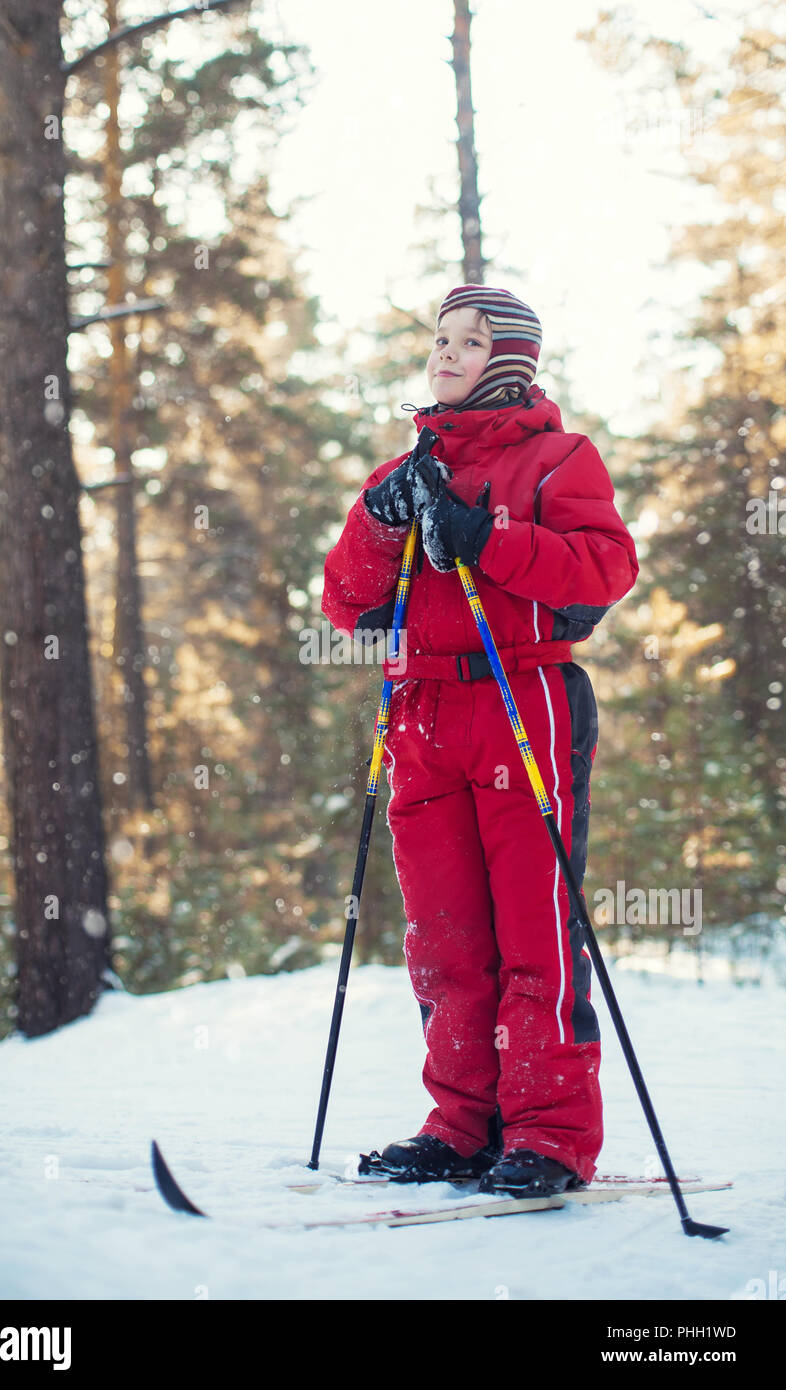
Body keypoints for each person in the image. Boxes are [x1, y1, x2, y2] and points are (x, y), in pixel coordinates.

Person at [321, 285, 639, 1197]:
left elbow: (600, 572)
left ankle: (549, 1132)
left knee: (533, 929)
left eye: (470, 341)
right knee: (447, 939)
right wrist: (384, 522)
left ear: (510, 363)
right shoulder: (401, 471)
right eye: (440, 338)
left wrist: (486, 541)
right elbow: (351, 608)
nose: (446, 354)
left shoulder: (557, 460)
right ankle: (462, 1123)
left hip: (522, 700)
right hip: (420, 715)